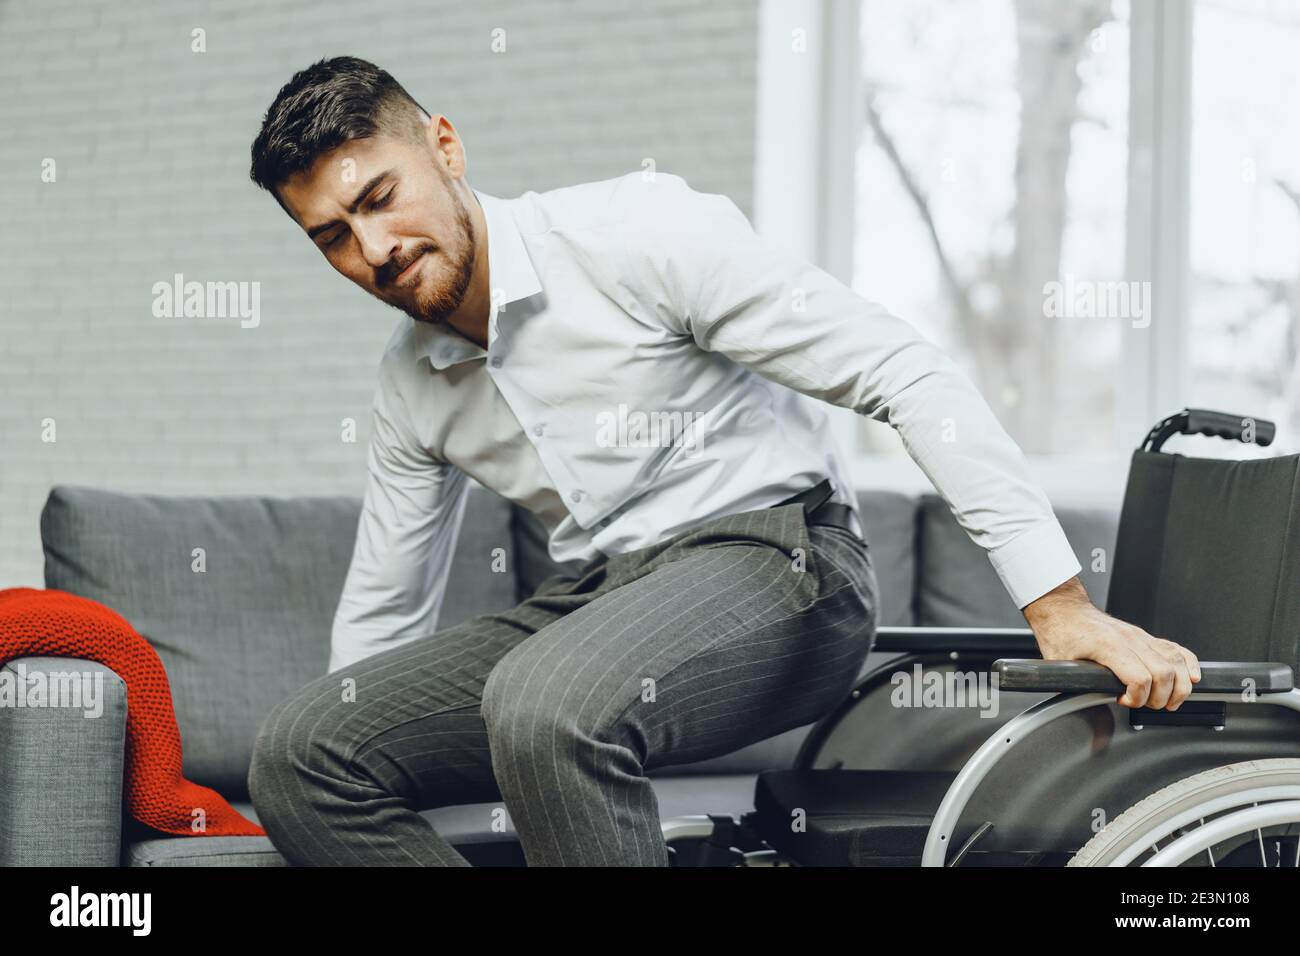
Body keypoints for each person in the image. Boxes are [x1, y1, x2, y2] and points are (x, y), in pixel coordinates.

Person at [244, 56, 1201, 867]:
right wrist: (360, 721)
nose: (373, 250)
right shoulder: (412, 383)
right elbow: (381, 611)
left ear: (444, 148)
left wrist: (1060, 606)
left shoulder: (634, 234)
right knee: (303, 751)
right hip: (600, 597)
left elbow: (902, 370)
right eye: (332, 235)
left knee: (543, 703)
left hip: (785, 563)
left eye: (380, 198)